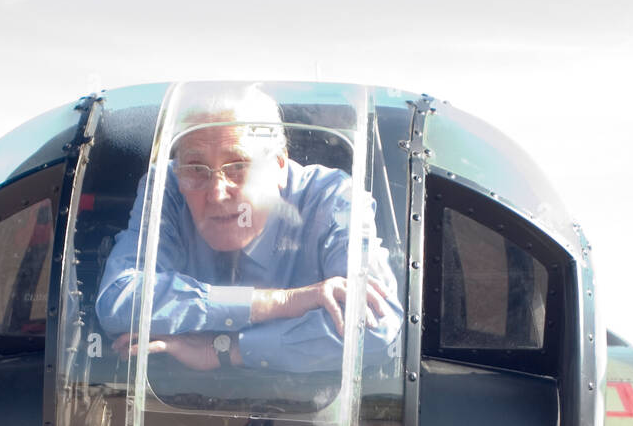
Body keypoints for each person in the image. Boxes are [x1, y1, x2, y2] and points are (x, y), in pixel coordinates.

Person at [95, 84, 403, 374]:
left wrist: (224, 350)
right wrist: (280, 302)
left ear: (279, 166)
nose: (216, 193)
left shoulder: (332, 199)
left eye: (238, 166)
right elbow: (118, 301)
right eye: (195, 168)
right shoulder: (167, 186)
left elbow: (377, 325)